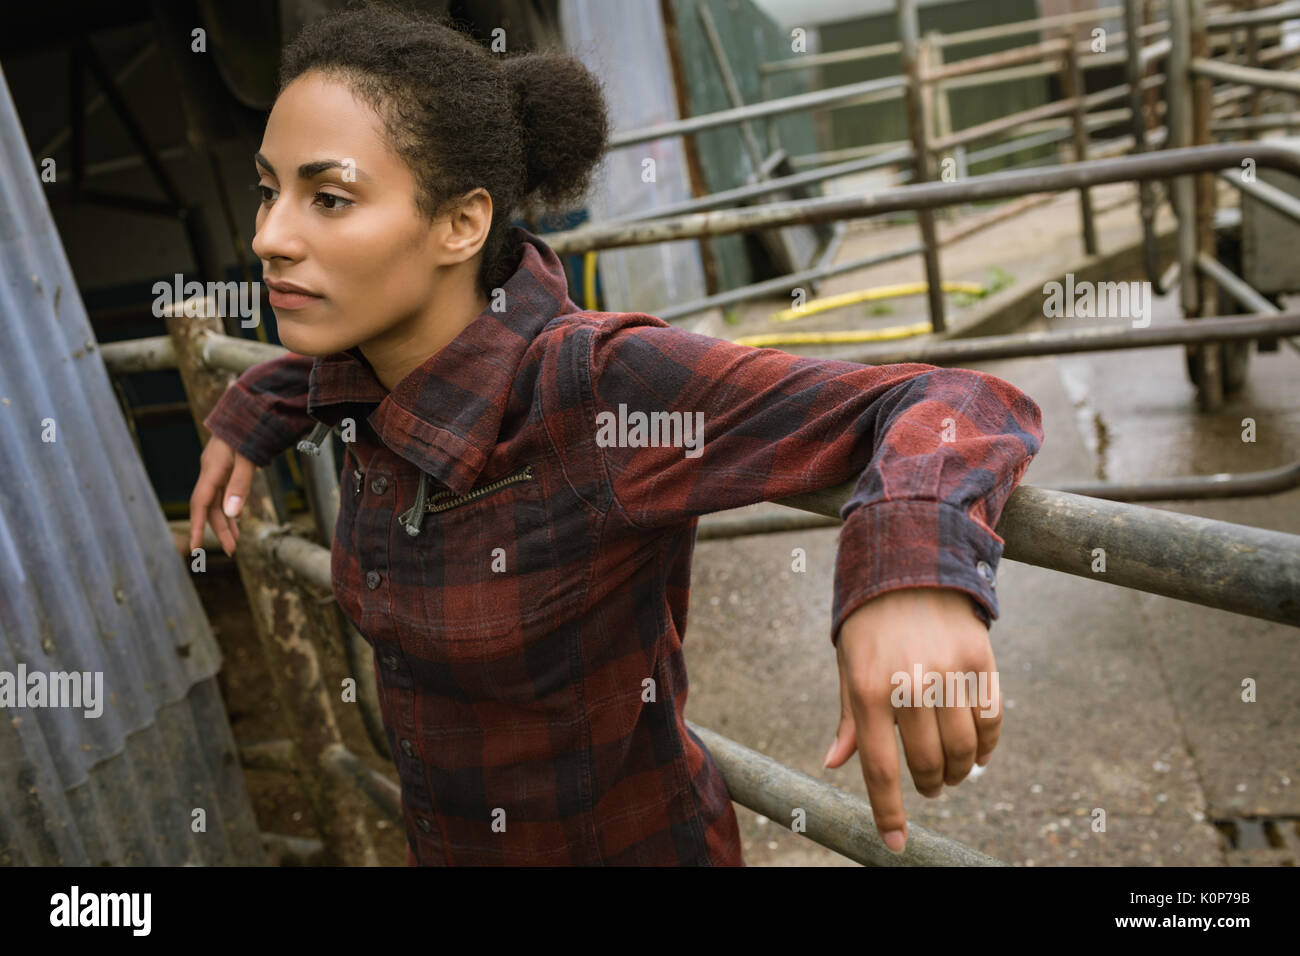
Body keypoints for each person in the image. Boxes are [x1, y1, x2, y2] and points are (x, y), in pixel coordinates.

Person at [189, 1, 1044, 866]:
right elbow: (352, 379)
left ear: (460, 223)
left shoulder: (597, 390)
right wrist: (257, 405)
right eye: (270, 190)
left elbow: (957, 400)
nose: (268, 236)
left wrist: (908, 570)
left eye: (328, 198)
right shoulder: (366, 371)